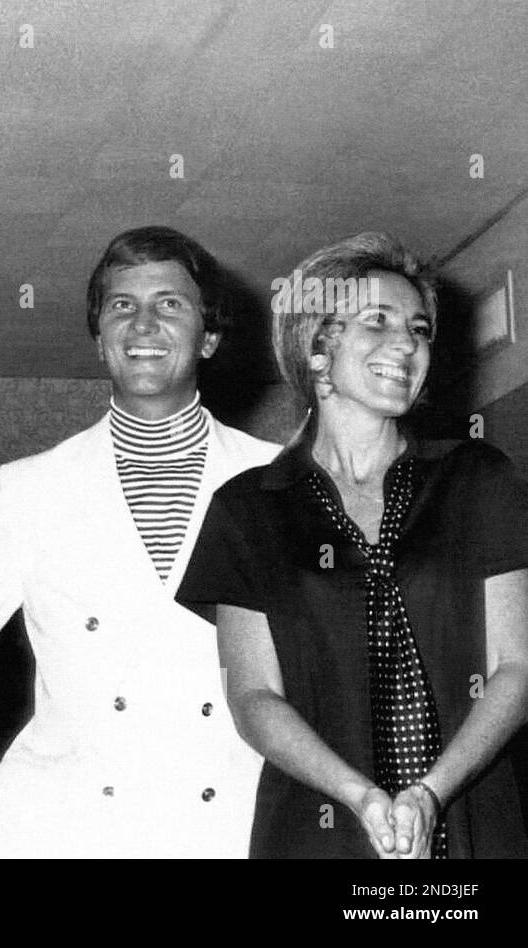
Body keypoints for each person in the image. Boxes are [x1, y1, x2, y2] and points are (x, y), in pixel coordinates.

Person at [0, 226, 280, 858]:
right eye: (121, 306)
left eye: (170, 304)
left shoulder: (276, 481)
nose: (143, 324)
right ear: (99, 339)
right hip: (70, 833)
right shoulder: (31, 488)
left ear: (210, 336)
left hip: (230, 829)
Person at [176, 232, 528, 858]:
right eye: (378, 322)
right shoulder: (247, 508)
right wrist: (361, 796)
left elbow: (517, 668)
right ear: (317, 347)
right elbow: (253, 695)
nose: (408, 344)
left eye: (419, 329)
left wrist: (429, 795)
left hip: (471, 823)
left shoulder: (477, 478)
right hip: (316, 830)